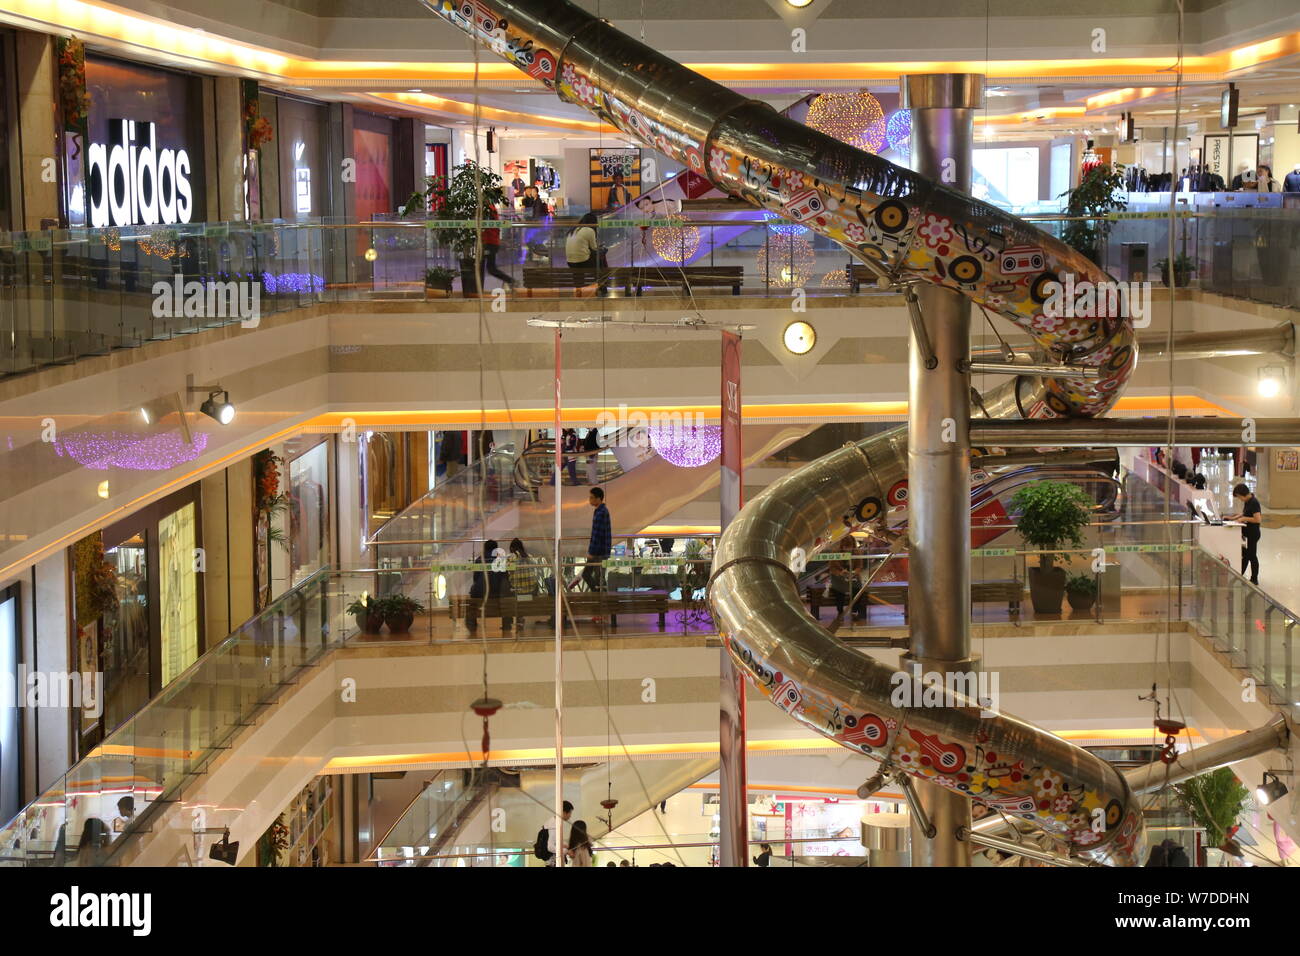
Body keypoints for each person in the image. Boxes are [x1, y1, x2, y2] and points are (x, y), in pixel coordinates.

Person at [467, 538, 513, 634]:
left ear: (484, 548)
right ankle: (507, 623)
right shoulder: (500, 560)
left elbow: (475, 578)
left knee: (472, 591)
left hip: (481, 593)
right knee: (507, 597)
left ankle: (472, 623)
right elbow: (505, 578)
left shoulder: (480, 559)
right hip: (498, 593)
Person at [1225, 482, 1262, 585]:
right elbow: (1245, 513)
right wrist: (1233, 518)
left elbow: (1258, 519)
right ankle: (1239, 575)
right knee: (1246, 555)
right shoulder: (1248, 501)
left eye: (1239, 497)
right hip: (1248, 533)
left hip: (1253, 534)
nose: (1240, 499)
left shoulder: (1254, 502)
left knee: (1251, 556)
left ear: (1243, 494)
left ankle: (1254, 579)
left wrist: (1244, 519)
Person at [582, 487, 611, 599]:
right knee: (593, 575)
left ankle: (602, 600)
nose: (590, 500)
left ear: (598, 499)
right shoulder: (601, 511)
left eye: (591, 497)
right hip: (601, 550)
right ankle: (597, 596)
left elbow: (597, 535)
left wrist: (591, 552)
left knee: (598, 577)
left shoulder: (600, 513)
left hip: (599, 552)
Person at [478, 204, 514, 289]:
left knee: (490, 268)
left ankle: (510, 281)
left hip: (489, 242)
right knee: (485, 267)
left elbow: (486, 226)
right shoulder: (490, 208)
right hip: (490, 241)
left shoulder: (488, 209)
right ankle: (510, 281)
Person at [508, 538, 539, 630]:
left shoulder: (510, 557)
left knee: (514, 592)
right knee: (522, 596)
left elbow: (507, 571)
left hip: (518, 592)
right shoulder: (529, 556)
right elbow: (536, 567)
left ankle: (518, 619)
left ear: (512, 548)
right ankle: (520, 619)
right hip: (531, 592)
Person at [542, 800, 573, 866]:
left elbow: (555, 841)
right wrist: (566, 851)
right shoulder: (553, 825)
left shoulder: (554, 822)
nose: (570, 816)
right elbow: (550, 847)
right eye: (570, 813)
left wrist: (566, 845)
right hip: (552, 863)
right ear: (564, 812)